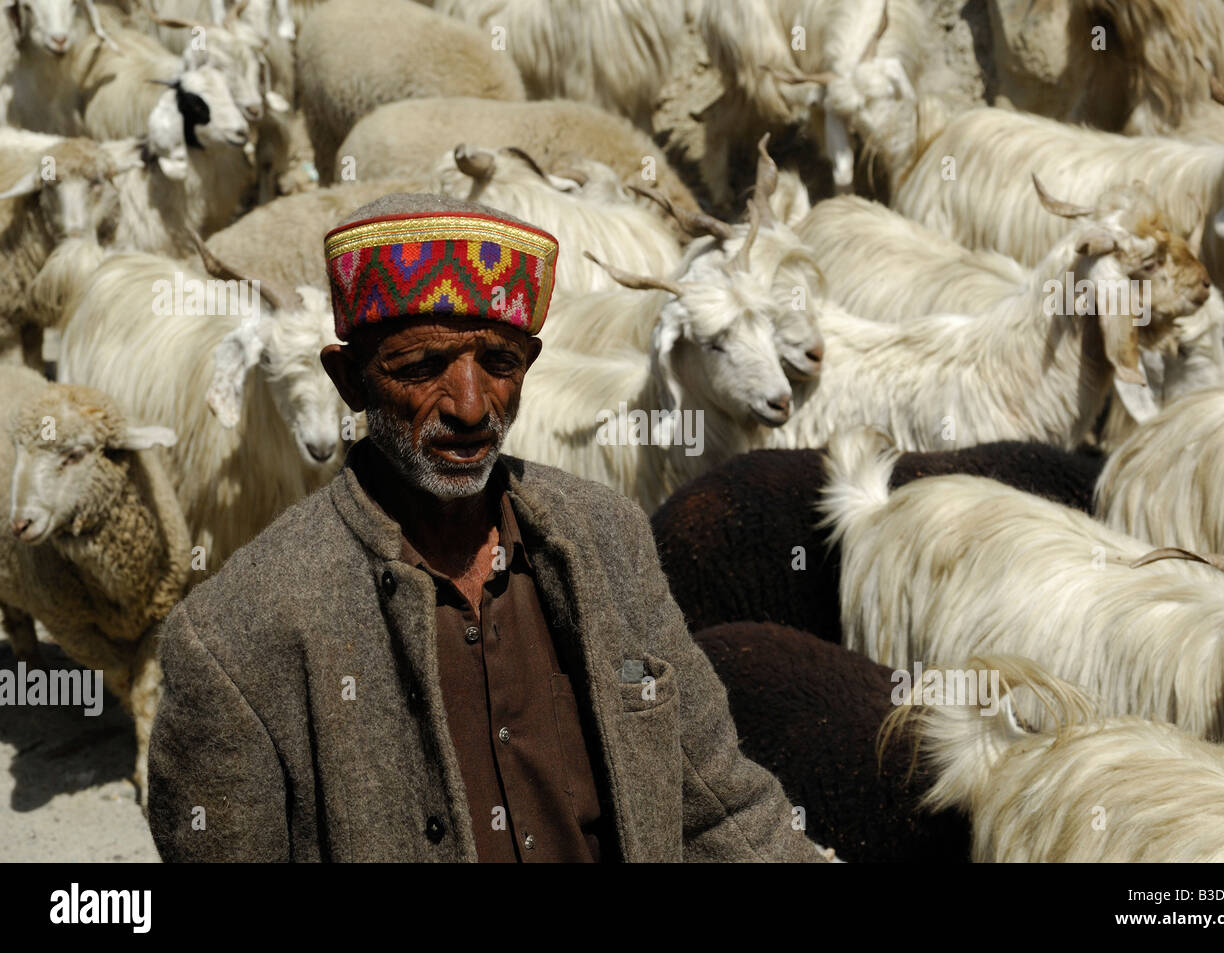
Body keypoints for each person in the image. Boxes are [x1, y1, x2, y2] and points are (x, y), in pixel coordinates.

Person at [146, 192, 827, 862]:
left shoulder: (605, 539)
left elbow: (716, 802)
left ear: (528, 366)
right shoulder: (234, 639)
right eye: (422, 367)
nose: (472, 407)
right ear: (348, 378)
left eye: (498, 364)